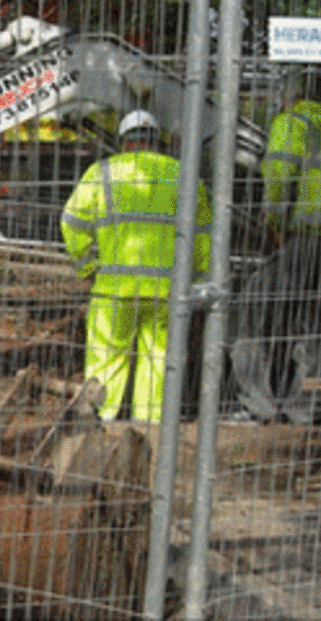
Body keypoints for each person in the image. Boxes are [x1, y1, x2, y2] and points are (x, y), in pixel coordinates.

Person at [228, 71, 321, 423]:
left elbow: (279, 173)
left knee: (253, 311)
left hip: (308, 240)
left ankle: (257, 403)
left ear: (294, 96)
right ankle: (309, 409)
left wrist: (272, 219)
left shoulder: (293, 122)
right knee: (320, 326)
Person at [60, 110, 212, 423]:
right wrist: (196, 280)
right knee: (158, 360)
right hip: (166, 290)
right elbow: (202, 236)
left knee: (106, 358)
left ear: (124, 141)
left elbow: (71, 222)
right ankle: (148, 431)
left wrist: (87, 266)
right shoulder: (183, 175)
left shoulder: (102, 172)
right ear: (157, 141)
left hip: (114, 288)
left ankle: (97, 422)